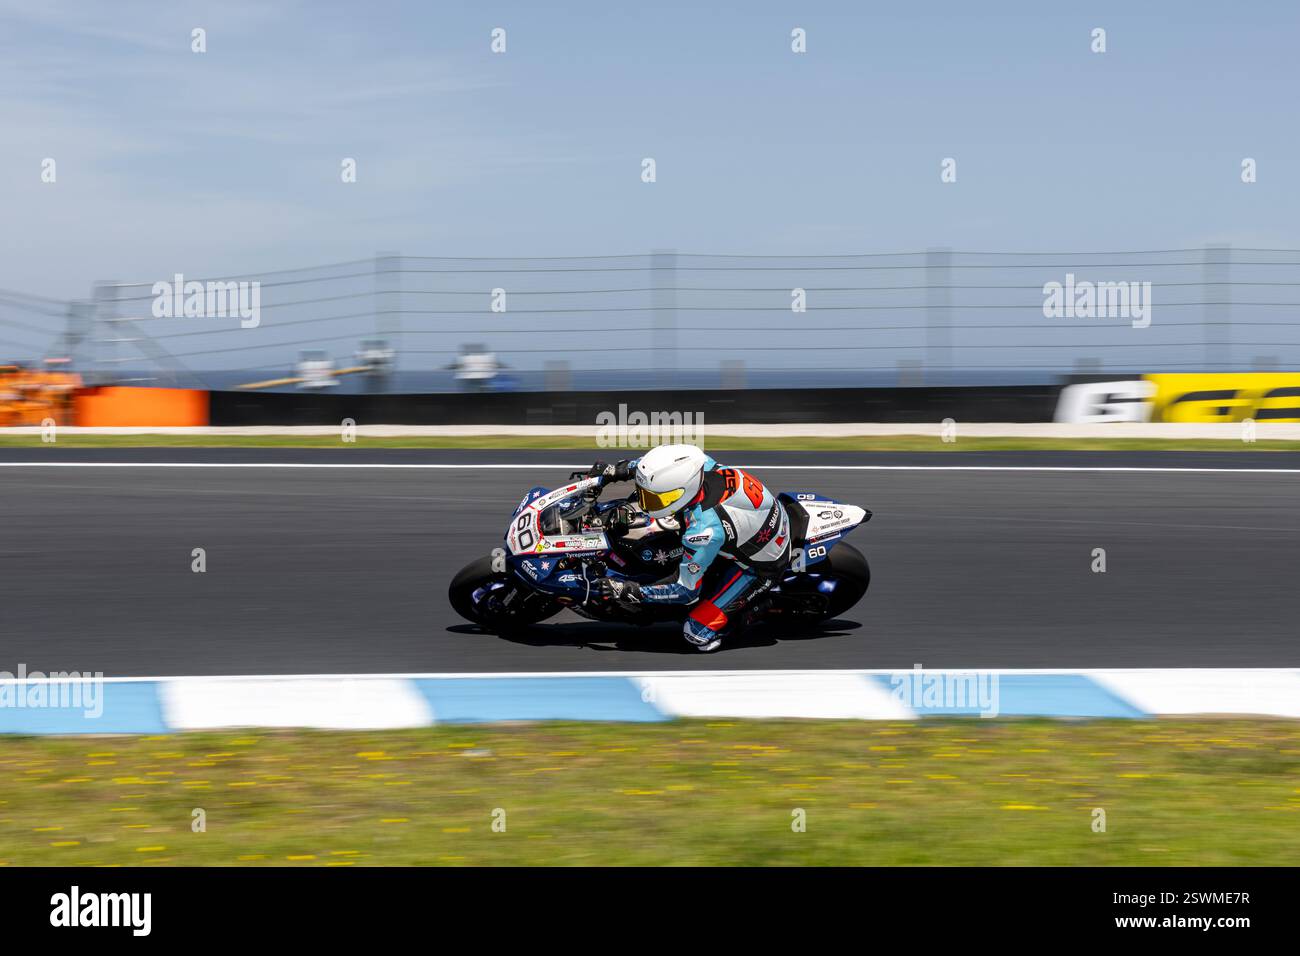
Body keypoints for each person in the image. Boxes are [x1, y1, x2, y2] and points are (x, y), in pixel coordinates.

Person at [589, 444, 791, 652]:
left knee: (695, 633)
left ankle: (754, 608)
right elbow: (653, 470)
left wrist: (630, 590)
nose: (644, 503)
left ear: (683, 492)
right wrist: (618, 470)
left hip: (759, 568)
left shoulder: (704, 530)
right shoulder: (700, 465)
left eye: (654, 498)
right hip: (750, 526)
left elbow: (685, 590)